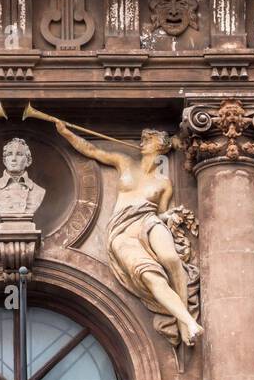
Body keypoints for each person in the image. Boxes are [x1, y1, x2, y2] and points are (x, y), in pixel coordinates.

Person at [54, 120, 202, 346]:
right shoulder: (125, 162)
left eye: (148, 140)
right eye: (142, 139)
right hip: (123, 230)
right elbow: (93, 150)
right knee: (151, 275)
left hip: (149, 220)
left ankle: (185, 322)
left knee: (172, 259)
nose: (142, 143)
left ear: (161, 146)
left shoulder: (164, 183)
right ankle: (188, 322)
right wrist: (66, 134)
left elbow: (160, 211)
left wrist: (170, 217)